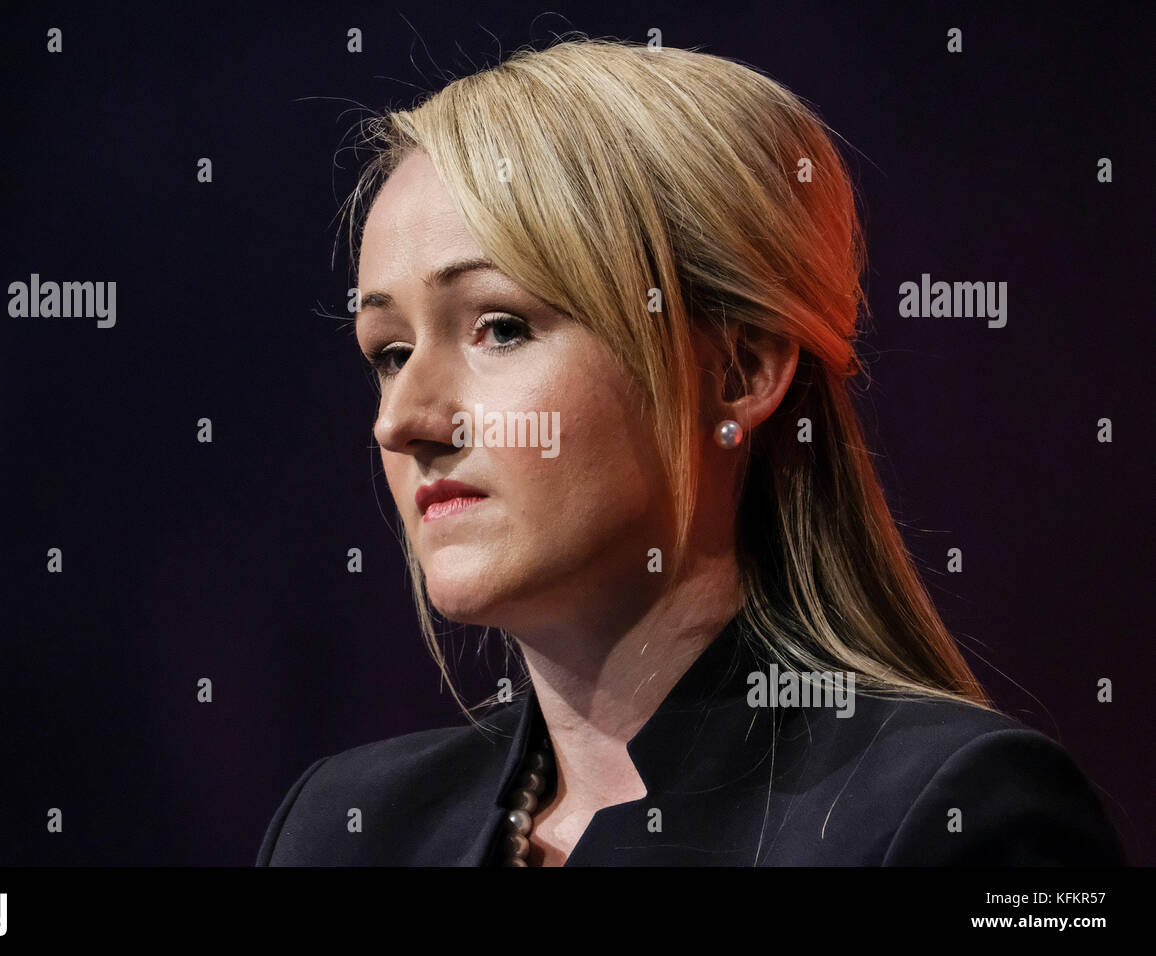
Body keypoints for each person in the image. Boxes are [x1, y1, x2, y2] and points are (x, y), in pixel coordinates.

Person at [258, 37, 1126, 866]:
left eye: (501, 327)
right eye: (390, 353)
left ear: (738, 371)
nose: (402, 419)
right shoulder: (343, 830)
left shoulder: (956, 816)